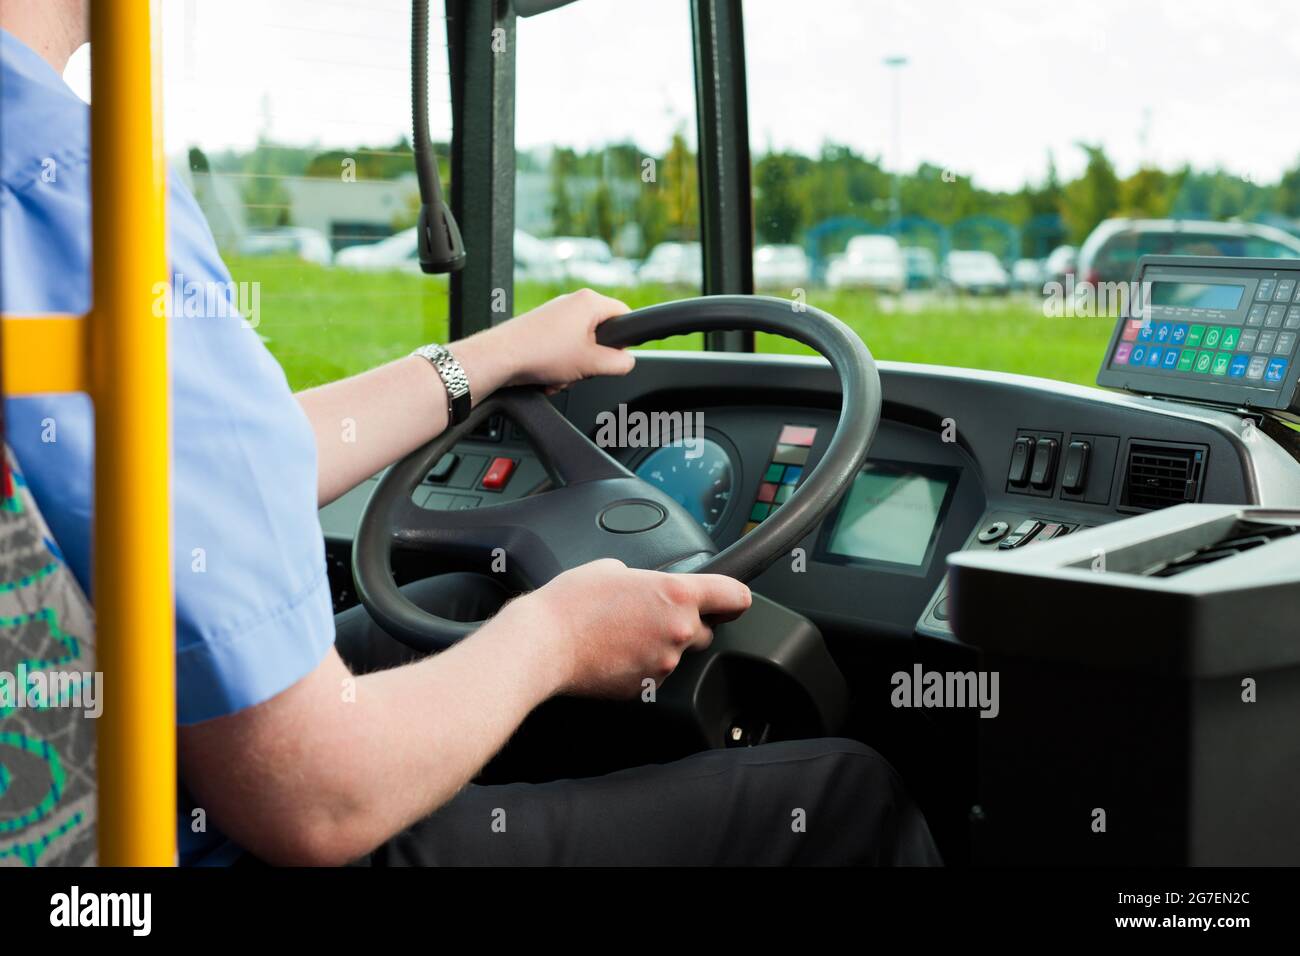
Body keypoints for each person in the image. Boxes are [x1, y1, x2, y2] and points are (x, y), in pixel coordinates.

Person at [0, 0, 939, 866]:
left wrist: (486, 359)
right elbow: (317, 801)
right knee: (842, 796)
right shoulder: (77, 198)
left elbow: (212, 467)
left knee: (458, 601)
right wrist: (557, 638)